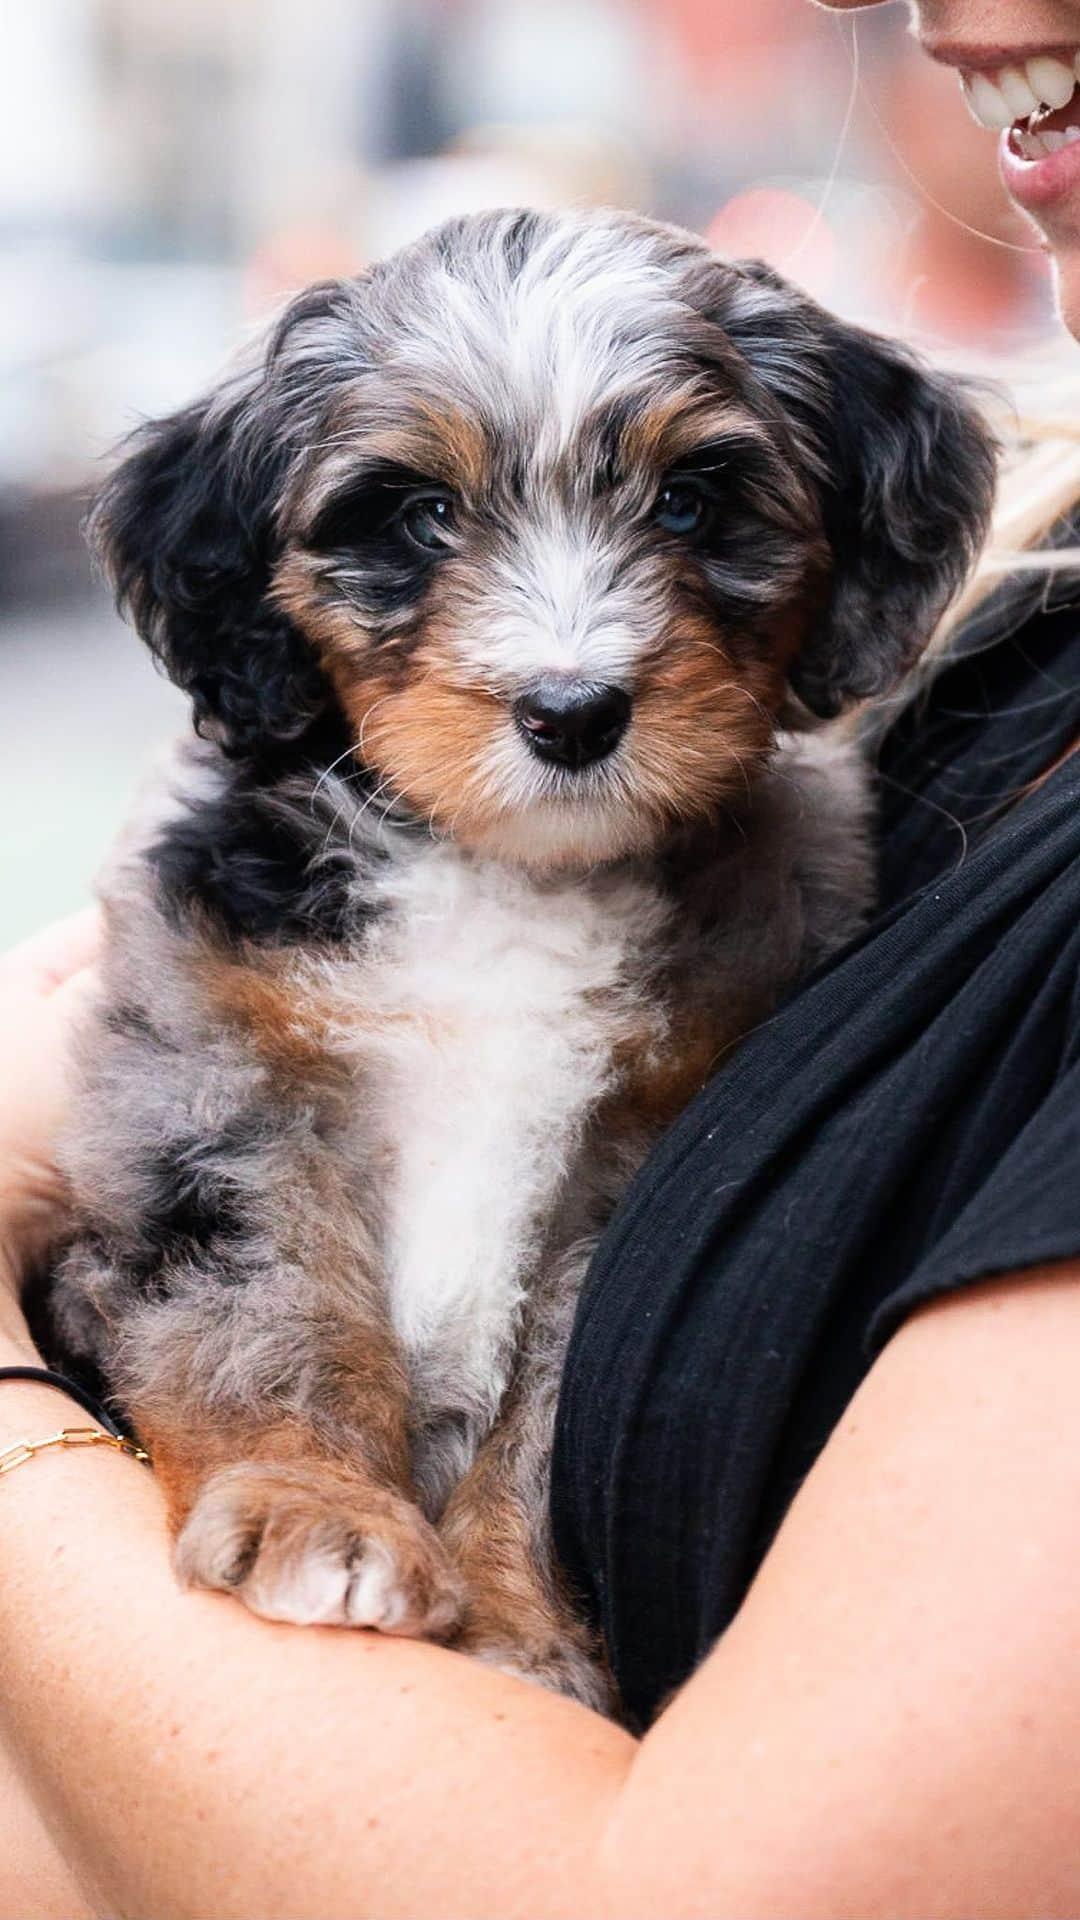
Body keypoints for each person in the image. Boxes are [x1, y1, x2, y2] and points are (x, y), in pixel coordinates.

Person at [2, 2, 1080, 1913]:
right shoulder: (987, 727)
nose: (566, 643)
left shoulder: (813, 896)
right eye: (404, 522)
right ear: (249, 573)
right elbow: (172, 1169)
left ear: (846, 547)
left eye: (691, 501)